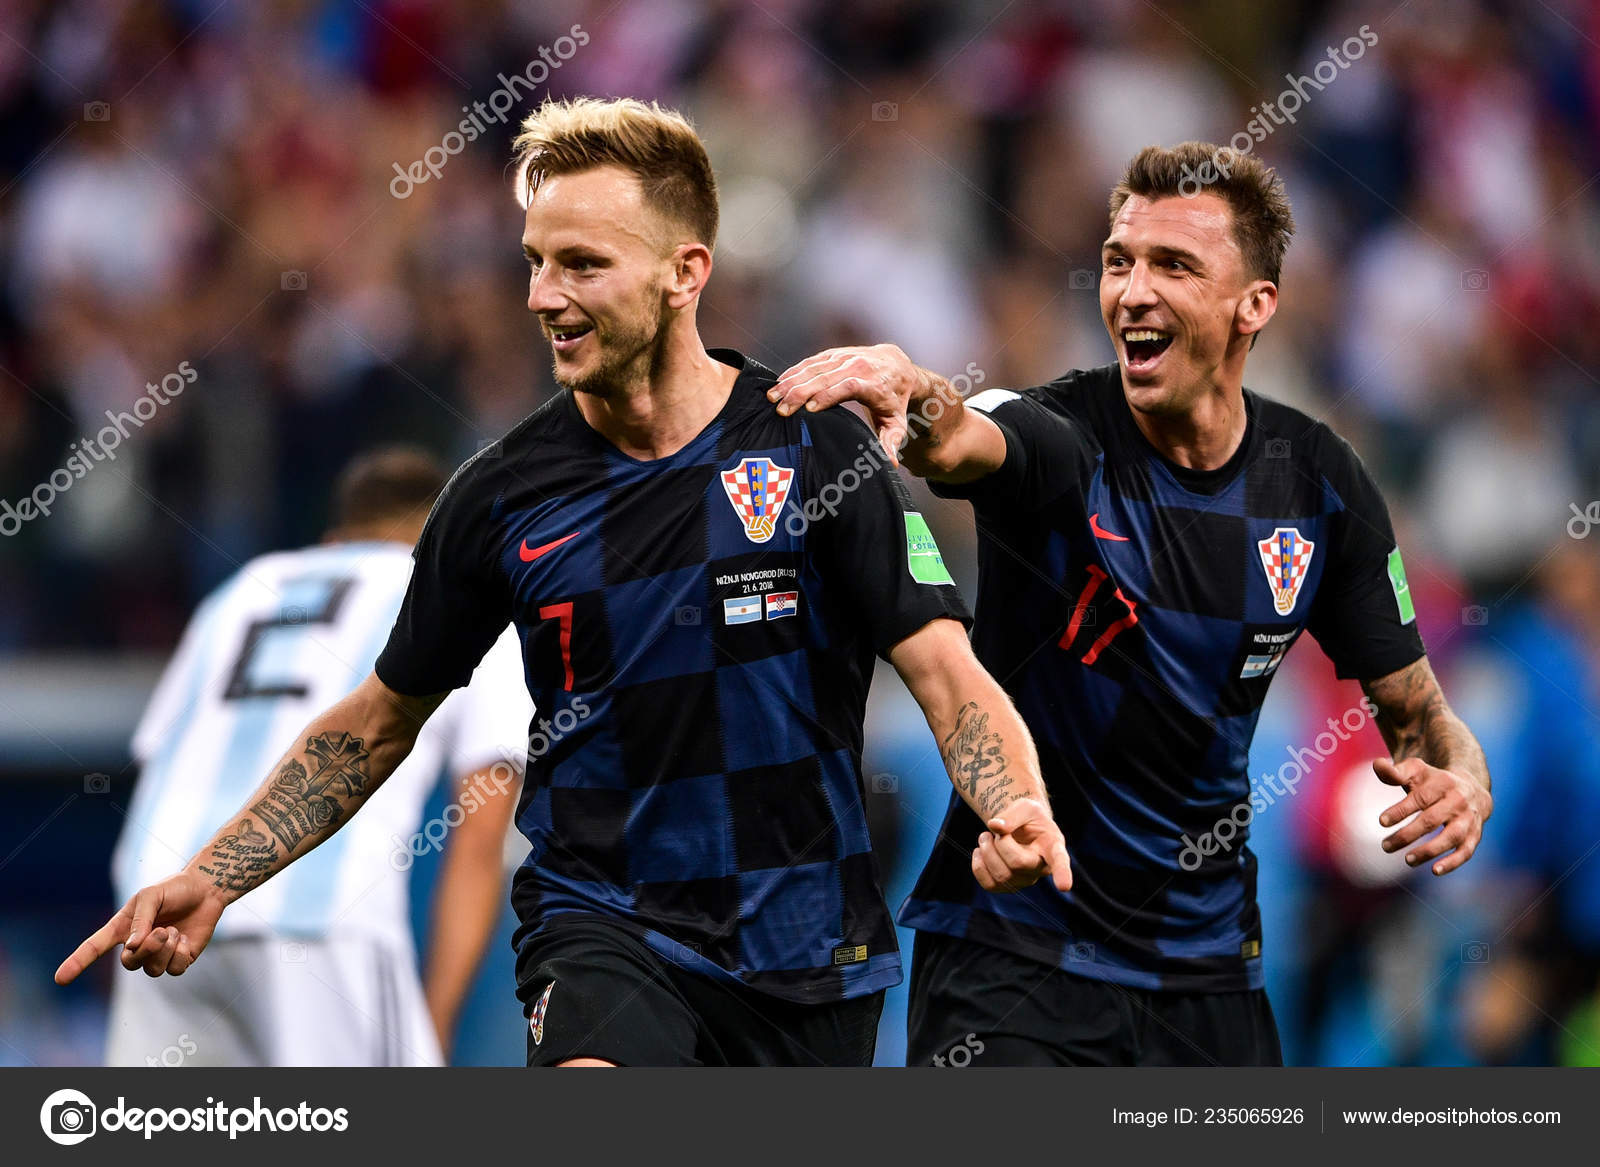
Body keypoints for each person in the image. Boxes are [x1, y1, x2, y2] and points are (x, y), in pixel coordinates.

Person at [57, 97, 1072, 1068]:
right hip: (601, 923)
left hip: (807, 949)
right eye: (536, 261)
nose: (545, 295)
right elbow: (377, 718)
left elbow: (947, 677)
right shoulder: (500, 496)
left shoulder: (814, 449)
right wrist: (215, 875)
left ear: (684, 273)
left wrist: (1015, 802)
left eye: (583, 264)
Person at [768, 141, 1493, 1066]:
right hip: (1018, 959)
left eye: (1174, 265)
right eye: (1120, 261)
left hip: (1209, 978)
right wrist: (917, 398)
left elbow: (1419, 714)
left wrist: (1460, 776)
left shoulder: (1318, 483)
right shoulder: (1063, 435)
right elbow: (963, 439)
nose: (1133, 292)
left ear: (1254, 304)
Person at [102, 447, 529, 1066]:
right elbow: (479, 839)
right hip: (322, 920)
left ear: (334, 538)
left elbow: (153, 754)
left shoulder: (240, 590)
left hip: (162, 913)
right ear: (443, 536)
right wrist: (435, 1027)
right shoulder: (455, 591)